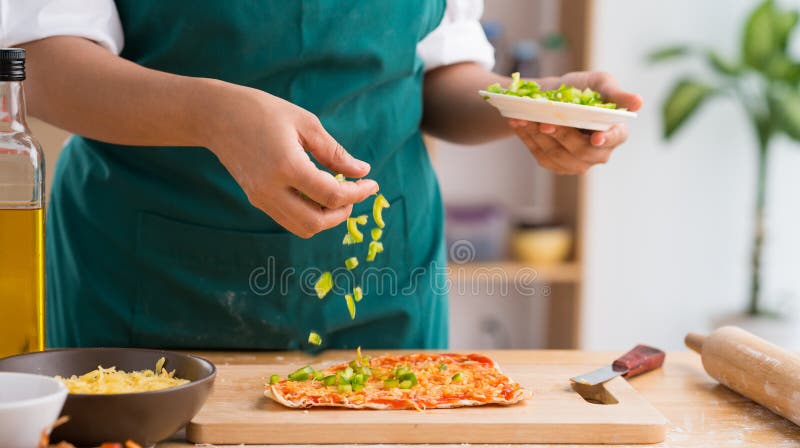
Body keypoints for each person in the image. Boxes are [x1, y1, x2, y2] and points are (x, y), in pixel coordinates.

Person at [2, 0, 642, 350]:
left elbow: (437, 68)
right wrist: (212, 115)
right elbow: (38, 60)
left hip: (383, 281)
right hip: (153, 278)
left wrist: (531, 105)